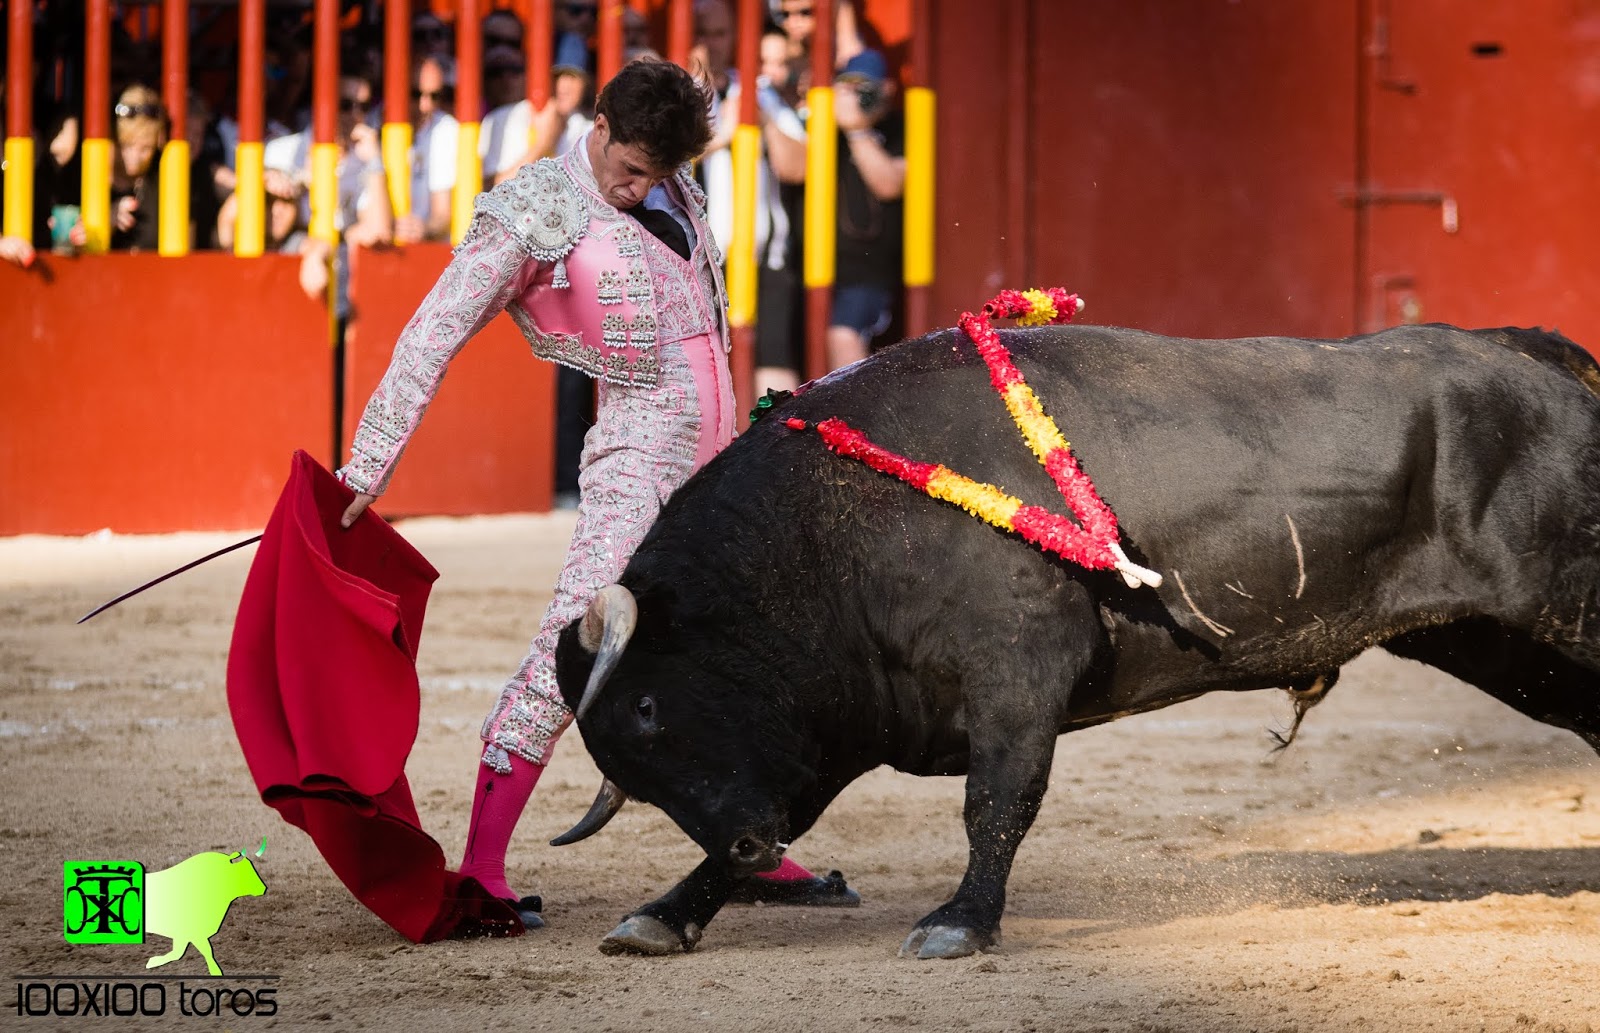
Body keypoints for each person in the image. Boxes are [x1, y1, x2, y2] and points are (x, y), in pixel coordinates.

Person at [335, 59, 859, 932]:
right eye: (633, 166)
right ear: (604, 123)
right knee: (576, 641)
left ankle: (753, 845)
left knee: (745, 651)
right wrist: (371, 459)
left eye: (660, 172)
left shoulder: (672, 183)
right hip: (634, 458)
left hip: (715, 470)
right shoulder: (536, 205)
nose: (642, 185)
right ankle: (485, 869)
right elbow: (433, 329)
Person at [827, 48, 905, 369]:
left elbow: (890, 184)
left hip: (867, 271)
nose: (857, 99)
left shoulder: (900, 127)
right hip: (818, 265)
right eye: (849, 88)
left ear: (886, 90)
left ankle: (854, 419)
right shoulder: (824, 126)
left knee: (843, 335)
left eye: (866, 90)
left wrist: (857, 130)